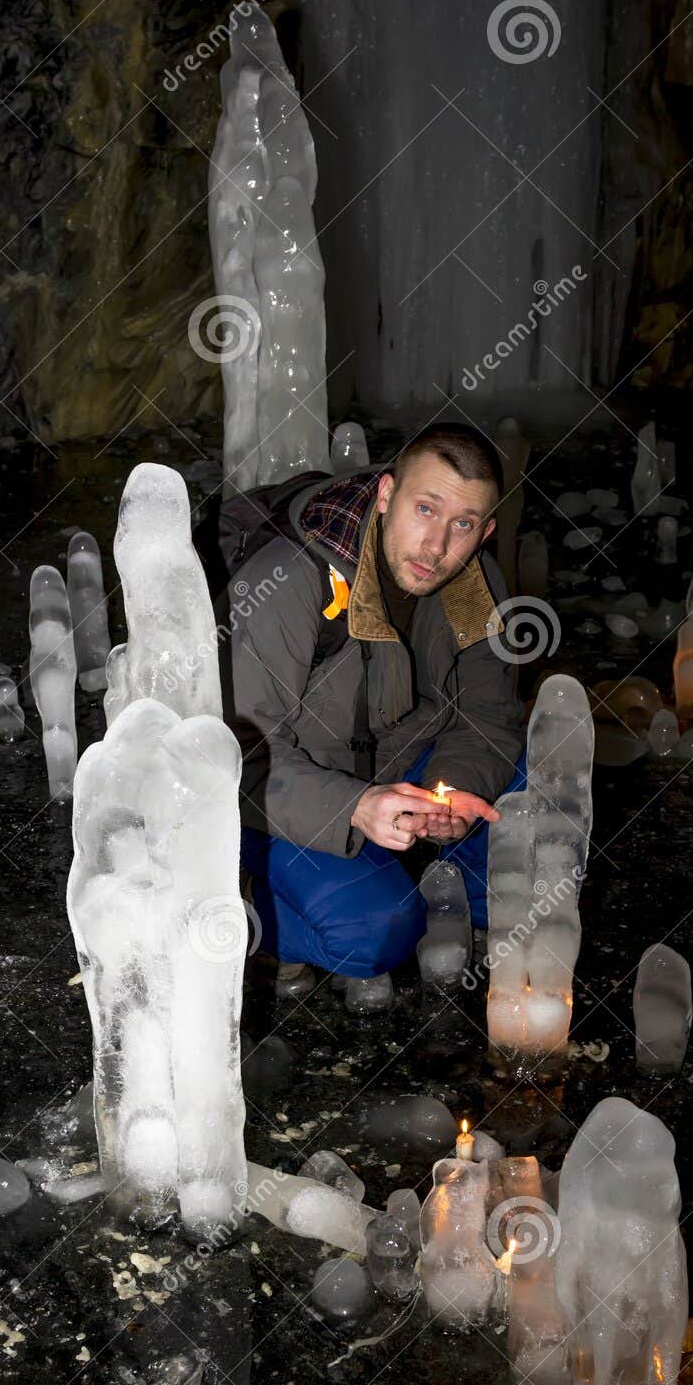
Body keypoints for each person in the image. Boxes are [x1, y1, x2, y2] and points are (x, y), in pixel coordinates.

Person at [224, 423, 526, 998]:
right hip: (278, 794)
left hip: (397, 767)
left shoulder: (474, 584)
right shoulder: (291, 579)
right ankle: (240, 912)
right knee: (375, 934)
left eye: (462, 524)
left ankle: (441, 886)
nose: (436, 546)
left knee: (532, 805)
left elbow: (488, 716)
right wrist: (355, 807)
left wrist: (451, 792)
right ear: (386, 494)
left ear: (485, 531)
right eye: (425, 509)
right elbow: (237, 751)